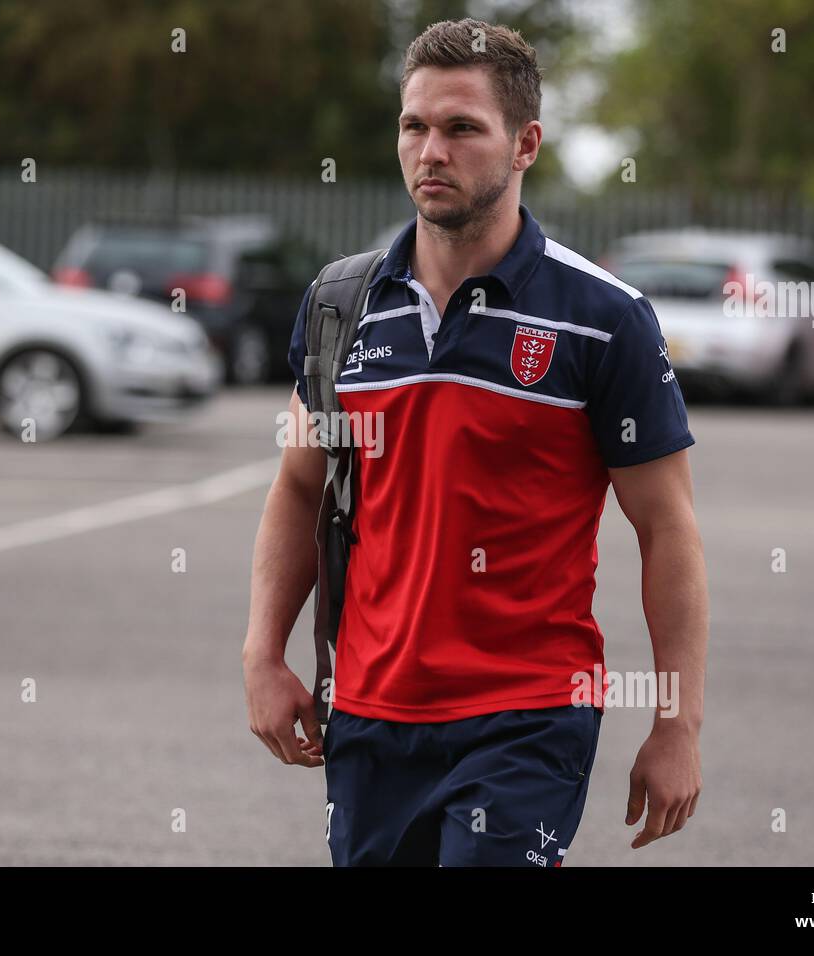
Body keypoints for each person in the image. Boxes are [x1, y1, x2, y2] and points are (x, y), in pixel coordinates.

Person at [242, 17, 708, 866]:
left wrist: (677, 724)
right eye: (415, 126)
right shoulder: (341, 304)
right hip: (372, 711)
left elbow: (666, 526)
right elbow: (301, 489)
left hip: (527, 717)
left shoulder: (603, 320)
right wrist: (263, 651)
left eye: (462, 128)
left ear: (525, 143)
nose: (431, 151)